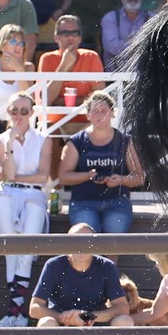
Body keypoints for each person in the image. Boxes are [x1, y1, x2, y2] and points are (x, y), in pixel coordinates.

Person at [28, 224, 135, 335]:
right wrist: (63, 317)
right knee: (45, 323)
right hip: (63, 332)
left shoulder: (106, 265)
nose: (81, 247)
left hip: (97, 329)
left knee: (125, 322)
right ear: (66, 243)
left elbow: (122, 308)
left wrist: (89, 316)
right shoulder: (54, 265)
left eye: (86, 241)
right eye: (75, 241)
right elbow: (35, 308)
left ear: (95, 245)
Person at [0, 93, 52, 328]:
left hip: (33, 195)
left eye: (24, 111)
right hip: (7, 193)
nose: (19, 116)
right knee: (10, 250)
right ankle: (13, 314)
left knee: (27, 250)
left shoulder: (44, 139)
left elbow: (43, 176)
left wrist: (16, 177)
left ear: (32, 113)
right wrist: (10, 147)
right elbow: (10, 174)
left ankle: (16, 312)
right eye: (14, 110)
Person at [59, 89, 143, 233]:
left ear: (112, 113)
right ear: (88, 115)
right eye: (95, 110)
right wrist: (88, 176)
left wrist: (121, 180)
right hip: (83, 201)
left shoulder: (125, 141)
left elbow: (139, 178)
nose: (100, 115)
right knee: (87, 242)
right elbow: (63, 177)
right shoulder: (76, 142)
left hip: (117, 201)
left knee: (113, 243)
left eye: (104, 110)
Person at [35, 13, 105, 147]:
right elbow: (46, 99)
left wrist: (61, 101)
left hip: (86, 120)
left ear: (80, 38)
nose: (70, 37)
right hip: (55, 122)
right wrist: (63, 66)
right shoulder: (47, 59)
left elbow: (99, 97)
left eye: (75, 32)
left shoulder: (91, 56)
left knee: (100, 127)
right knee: (49, 132)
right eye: (65, 33)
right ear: (56, 38)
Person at [99, 0, 151, 67]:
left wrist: (125, 46)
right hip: (116, 78)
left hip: (146, 78)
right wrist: (144, 46)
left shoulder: (152, 18)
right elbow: (112, 47)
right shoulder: (110, 18)